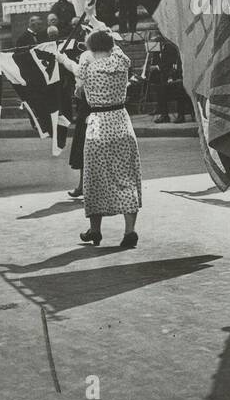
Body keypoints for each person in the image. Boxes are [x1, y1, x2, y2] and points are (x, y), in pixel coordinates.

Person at [59, 27, 142, 246]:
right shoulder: (122, 62)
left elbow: (72, 67)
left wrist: (60, 57)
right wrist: (96, 20)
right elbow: (116, 47)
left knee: (94, 181)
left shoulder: (88, 66)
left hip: (98, 126)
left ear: (91, 48)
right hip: (122, 123)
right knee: (127, 178)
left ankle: (95, 230)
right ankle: (129, 231)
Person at [152, 33, 187, 124]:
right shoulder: (159, 49)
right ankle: (164, 115)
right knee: (160, 89)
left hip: (181, 78)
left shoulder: (170, 48)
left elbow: (170, 64)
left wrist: (172, 77)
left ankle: (181, 115)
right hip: (171, 77)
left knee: (180, 90)